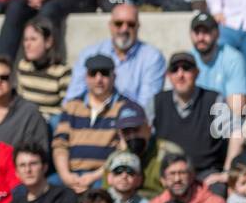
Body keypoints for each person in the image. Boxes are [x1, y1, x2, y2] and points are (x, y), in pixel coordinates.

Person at [53, 54, 146, 193]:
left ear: (114, 76)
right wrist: (66, 176)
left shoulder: (126, 108)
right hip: (70, 175)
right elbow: (60, 145)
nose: (99, 79)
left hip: (105, 176)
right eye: (93, 73)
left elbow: (124, 151)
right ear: (86, 77)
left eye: (104, 73)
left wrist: (93, 176)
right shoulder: (72, 106)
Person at [151, 51, 226, 184]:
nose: (180, 75)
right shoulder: (156, 102)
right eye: (174, 70)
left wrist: (226, 173)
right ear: (168, 76)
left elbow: (236, 135)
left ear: (197, 73)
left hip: (207, 176)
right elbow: (141, 134)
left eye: (186, 68)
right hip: (168, 177)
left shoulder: (215, 100)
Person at [189, 11, 246, 110]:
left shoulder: (232, 58)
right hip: (194, 120)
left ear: (217, 33)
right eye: (197, 32)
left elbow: (237, 108)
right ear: (190, 34)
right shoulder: (186, 61)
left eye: (206, 32)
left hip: (223, 120)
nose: (200, 37)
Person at [15, 18, 72, 119]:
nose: (27, 45)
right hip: (27, 120)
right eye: (26, 39)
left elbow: (66, 107)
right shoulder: (23, 66)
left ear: (48, 42)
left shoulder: (62, 72)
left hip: (50, 122)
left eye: (33, 39)